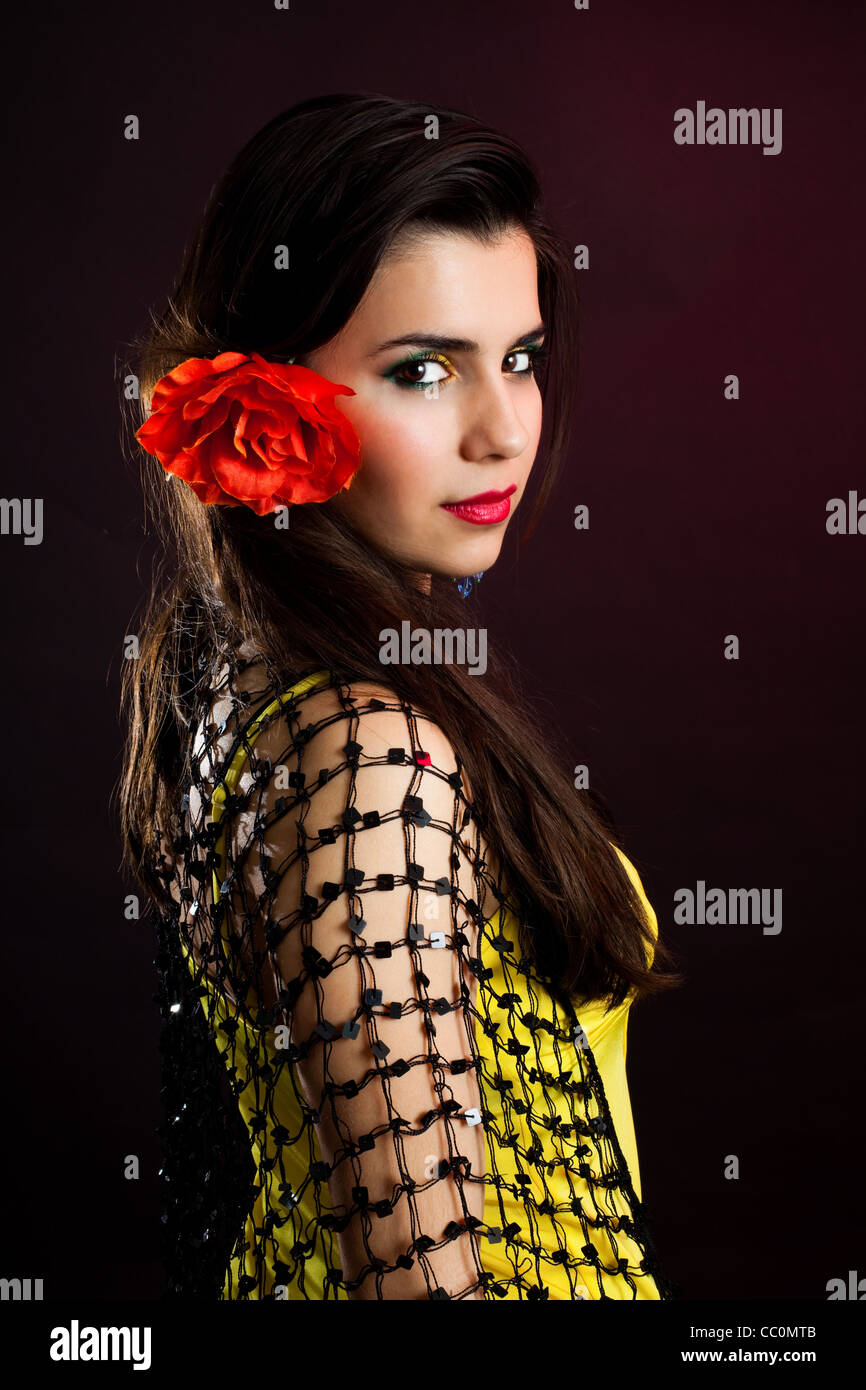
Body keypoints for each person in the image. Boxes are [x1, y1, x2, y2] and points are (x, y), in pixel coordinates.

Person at [117, 92, 682, 1301]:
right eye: (423, 369)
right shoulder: (369, 755)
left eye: (519, 360)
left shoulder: (225, 665)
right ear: (267, 394)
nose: (501, 432)